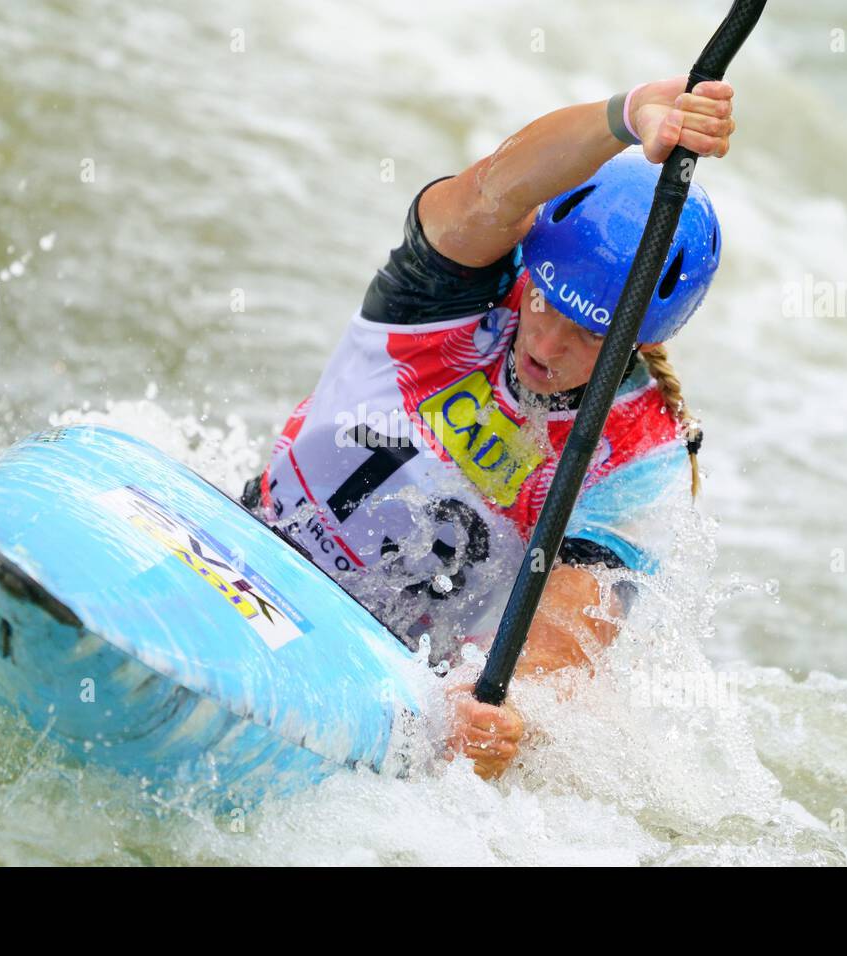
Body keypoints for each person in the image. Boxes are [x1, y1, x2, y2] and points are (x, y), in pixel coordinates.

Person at [242, 76, 737, 780]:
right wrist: (624, 117)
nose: (545, 343)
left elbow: (562, 653)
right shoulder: (455, 286)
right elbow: (495, 190)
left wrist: (509, 717)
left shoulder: (637, 460)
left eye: (588, 335)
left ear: (636, 340)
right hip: (248, 543)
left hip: (379, 677)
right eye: (545, 301)